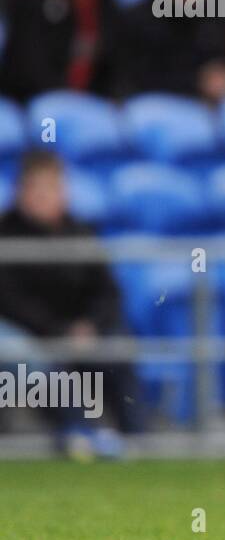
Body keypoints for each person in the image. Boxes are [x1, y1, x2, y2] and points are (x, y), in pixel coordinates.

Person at [0, 151, 140, 458]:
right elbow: (10, 302)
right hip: (30, 331)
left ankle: (137, 438)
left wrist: (89, 325)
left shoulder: (81, 233)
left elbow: (107, 293)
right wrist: (59, 330)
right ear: (21, 191)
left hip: (80, 329)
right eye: (38, 189)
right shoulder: (6, 237)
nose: (46, 197)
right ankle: (75, 434)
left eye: (53, 188)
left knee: (118, 344)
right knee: (32, 358)